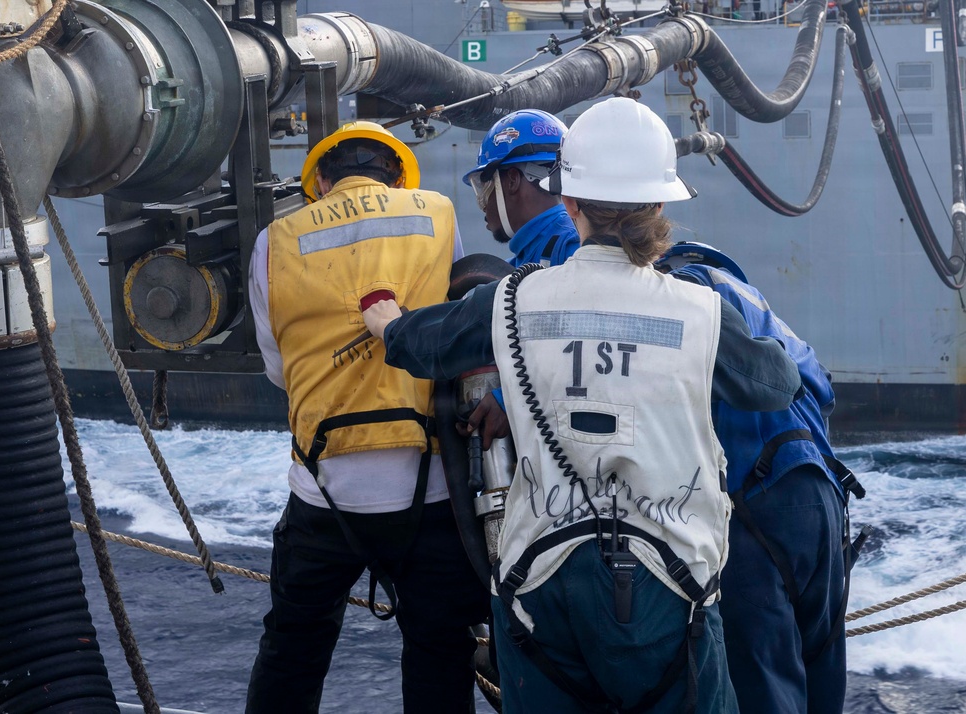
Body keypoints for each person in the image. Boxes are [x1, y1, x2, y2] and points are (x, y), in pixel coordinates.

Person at [363, 97, 805, 713]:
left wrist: (384, 322)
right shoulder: (698, 311)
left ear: (569, 203)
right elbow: (776, 385)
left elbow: (421, 344)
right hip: (665, 587)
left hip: (537, 586)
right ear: (657, 207)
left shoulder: (512, 299)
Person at [245, 120, 490, 713]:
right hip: (426, 487)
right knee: (438, 653)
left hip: (323, 489)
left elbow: (280, 372)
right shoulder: (436, 214)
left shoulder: (274, 240)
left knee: (294, 647)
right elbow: (449, 336)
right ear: (396, 173)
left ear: (321, 180)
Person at [657, 241, 859, 714]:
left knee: (764, 689)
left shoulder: (682, 297)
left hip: (753, 511)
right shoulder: (757, 304)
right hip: (823, 500)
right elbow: (822, 388)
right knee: (821, 683)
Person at [463, 109, 579, 267]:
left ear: (512, 180)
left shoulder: (572, 246)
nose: (484, 206)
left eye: (487, 187)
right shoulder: (520, 260)